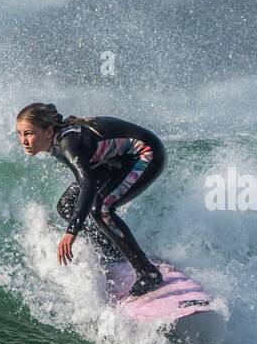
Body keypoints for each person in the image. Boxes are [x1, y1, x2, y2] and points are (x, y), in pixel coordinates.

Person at [15, 102, 167, 295]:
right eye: (19, 134)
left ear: (48, 131)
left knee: (102, 209)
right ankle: (112, 250)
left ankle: (148, 273)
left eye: (28, 133)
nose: (23, 141)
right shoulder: (56, 140)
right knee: (66, 206)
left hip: (146, 154)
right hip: (114, 160)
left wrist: (72, 232)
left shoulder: (67, 144)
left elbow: (87, 185)